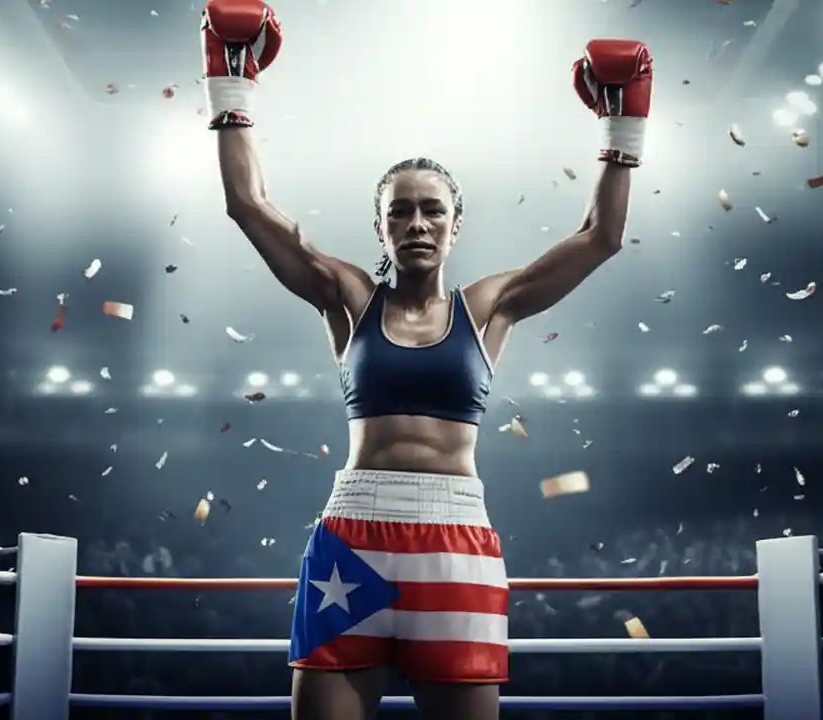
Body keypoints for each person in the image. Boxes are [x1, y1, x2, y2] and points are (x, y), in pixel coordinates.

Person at [200, 1, 651, 717]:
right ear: (380, 225)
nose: (417, 222)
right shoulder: (347, 297)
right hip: (352, 535)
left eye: (432, 209)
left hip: (455, 536)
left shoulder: (490, 306)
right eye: (401, 210)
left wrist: (621, 126)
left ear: (455, 223)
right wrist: (231, 83)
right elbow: (248, 206)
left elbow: (600, 236)